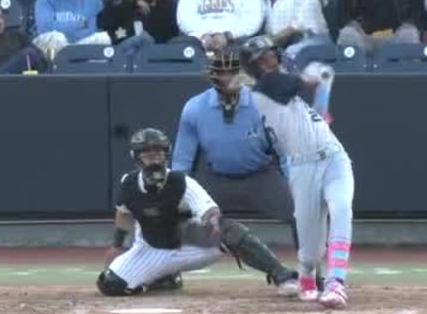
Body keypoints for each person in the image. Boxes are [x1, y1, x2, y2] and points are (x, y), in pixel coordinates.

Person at [98, 127, 299, 298]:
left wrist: (212, 223)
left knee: (228, 229)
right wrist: (117, 246)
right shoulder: (128, 184)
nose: (155, 159)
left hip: (190, 246)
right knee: (109, 284)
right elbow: (123, 215)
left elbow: (208, 208)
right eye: (148, 154)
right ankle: (163, 278)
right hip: (150, 248)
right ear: (137, 158)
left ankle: (281, 274)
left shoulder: (181, 181)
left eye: (158, 153)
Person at [238, 36, 355, 308]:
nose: (272, 58)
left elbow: (319, 113)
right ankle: (307, 274)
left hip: (334, 157)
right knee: (311, 250)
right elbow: (306, 83)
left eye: (271, 54)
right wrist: (319, 75)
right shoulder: (266, 86)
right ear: (256, 65)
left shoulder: (279, 88)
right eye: (264, 56)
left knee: (341, 208)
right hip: (303, 168)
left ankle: (337, 282)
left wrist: (323, 87)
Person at [172, 51, 300, 295]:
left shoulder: (263, 102)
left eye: (233, 72)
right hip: (216, 178)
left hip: (261, 175)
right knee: (173, 215)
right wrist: (178, 194)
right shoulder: (194, 108)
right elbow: (182, 159)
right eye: (221, 72)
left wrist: (294, 182)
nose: (227, 78)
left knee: (302, 212)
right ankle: (164, 273)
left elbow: (283, 150)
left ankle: (312, 274)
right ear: (211, 75)